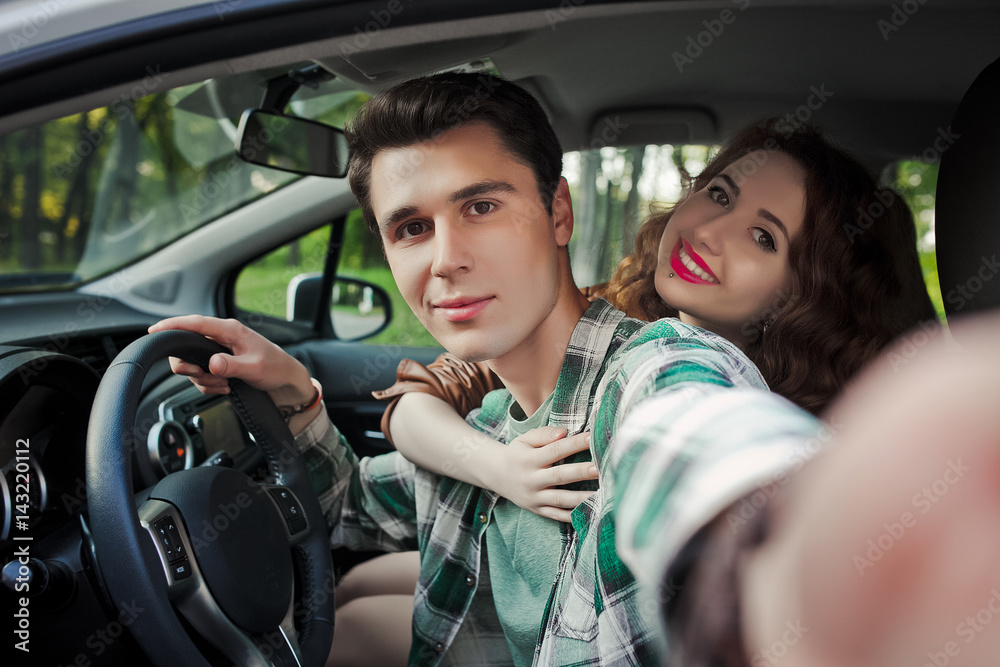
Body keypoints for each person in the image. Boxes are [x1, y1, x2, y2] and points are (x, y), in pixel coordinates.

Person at [148, 72, 918, 665]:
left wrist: (818, 549)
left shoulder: (662, 370)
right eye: (412, 227)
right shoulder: (503, 412)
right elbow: (356, 508)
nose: (446, 260)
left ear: (558, 212)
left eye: (481, 207)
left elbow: (709, 444)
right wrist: (296, 394)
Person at [329, 116, 937, 665]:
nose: (711, 232)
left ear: (803, 296)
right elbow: (405, 440)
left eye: (763, 238)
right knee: (354, 599)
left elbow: (699, 426)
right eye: (719, 196)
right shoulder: (594, 326)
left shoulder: (671, 371)